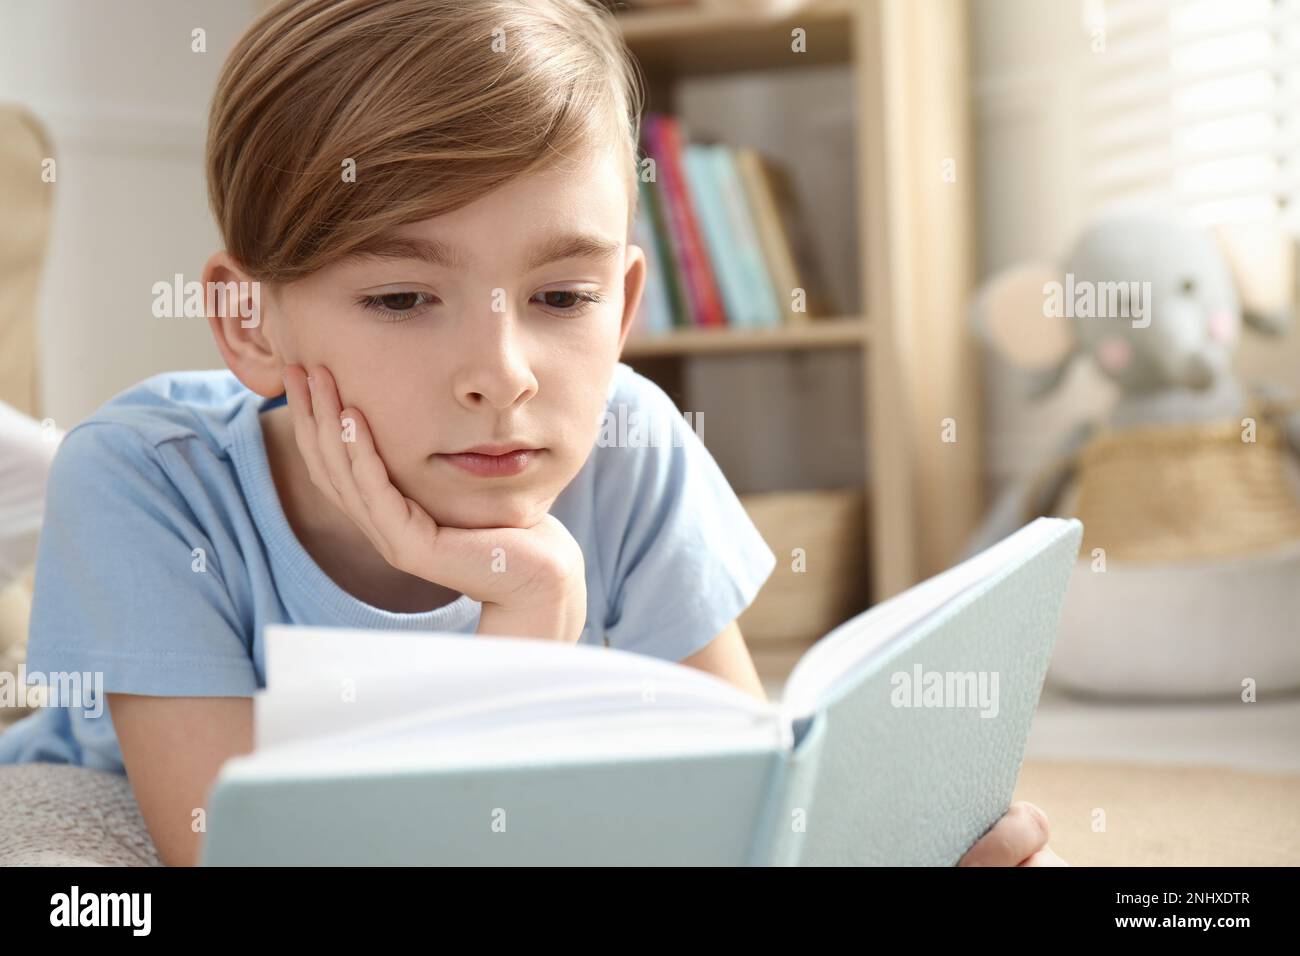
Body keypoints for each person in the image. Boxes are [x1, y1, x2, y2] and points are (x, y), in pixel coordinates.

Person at [0, 0, 1062, 867]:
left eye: (561, 296)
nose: (502, 376)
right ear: (249, 320)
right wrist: (530, 607)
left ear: (625, 299)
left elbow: (741, 808)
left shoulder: (630, 443)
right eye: (405, 298)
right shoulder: (145, 479)